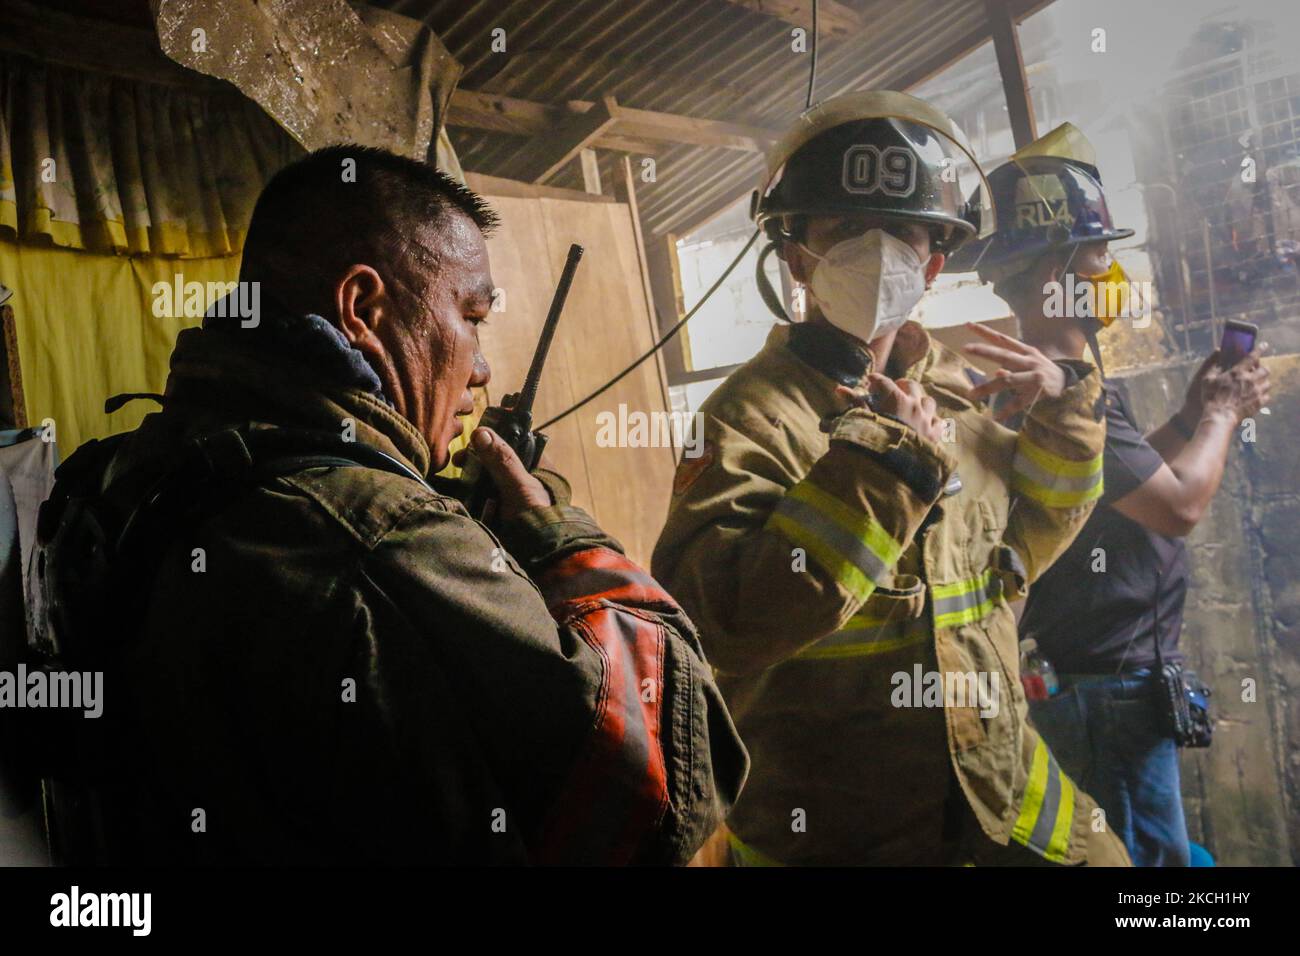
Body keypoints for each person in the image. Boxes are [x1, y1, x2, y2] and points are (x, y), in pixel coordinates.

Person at [31, 145, 747, 865]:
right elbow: (673, 778)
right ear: (363, 308)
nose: (482, 364)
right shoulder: (376, 535)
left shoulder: (133, 470)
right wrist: (546, 528)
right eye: (471, 316)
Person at [652, 93, 1129, 865]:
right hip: (842, 832)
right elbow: (719, 622)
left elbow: (1035, 533)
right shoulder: (745, 419)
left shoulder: (956, 392)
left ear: (935, 262)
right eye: (844, 228)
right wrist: (884, 465)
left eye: (902, 233)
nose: (875, 252)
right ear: (796, 252)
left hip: (1000, 800)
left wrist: (1065, 406)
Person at [949, 124, 1271, 866]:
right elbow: (1178, 504)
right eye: (1098, 254)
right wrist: (1223, 414)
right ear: (1055, 268)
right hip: (1103, 691)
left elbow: (1109, 490)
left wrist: (1193, 416)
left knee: (1173, 857)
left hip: (1105, 684)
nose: (1110, 270)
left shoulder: (1074, 392)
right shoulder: (1049, 391)